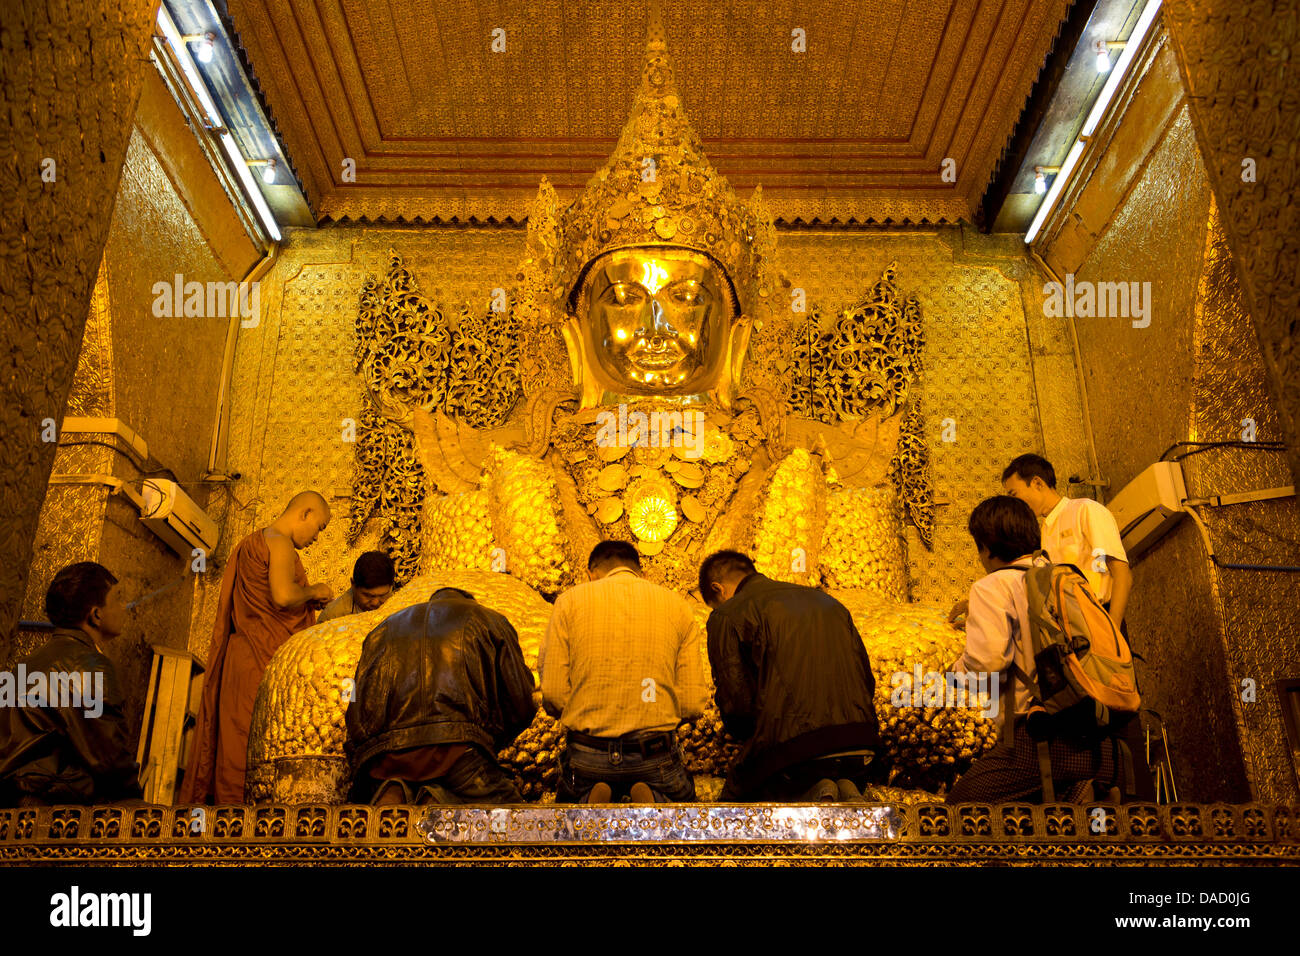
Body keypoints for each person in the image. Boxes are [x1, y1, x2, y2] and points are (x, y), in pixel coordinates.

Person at [947, 496, 1124, 804]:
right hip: (1099, 738)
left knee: (955, 812)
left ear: (986, 548)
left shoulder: (992, 587)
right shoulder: (1064, 578)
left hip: (1042, 738)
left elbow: (987, 662)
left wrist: (953, 673)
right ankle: (1078, 792)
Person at [180, 490, 334, 804]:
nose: (317, 537)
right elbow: (281, 596)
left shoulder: (253, 541)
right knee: (257, 745)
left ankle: (226, 824)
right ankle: (246, 830)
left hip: (241, 657)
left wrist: (304, 595)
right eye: (319, 527)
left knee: (235, 745)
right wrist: (313, 590)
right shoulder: (279, 541)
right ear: (304, 513)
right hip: (260, 662)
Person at [699, 550, 882, 802]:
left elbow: (736, 701)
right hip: (860, 742)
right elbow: (866, 680)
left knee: (732, 811)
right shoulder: (829, 603)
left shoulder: (728, 615)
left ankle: (813, 790)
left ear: (718, 589)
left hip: (793, 752)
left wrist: (747, 738)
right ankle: (842, 786)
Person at [540, 540, 706, 804]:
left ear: (590, 574)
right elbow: (692, 702)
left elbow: (554, 693)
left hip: (588, 752)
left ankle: (586, 799)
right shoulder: (678, 606)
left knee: (567, 817)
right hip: (654, 753)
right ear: (642, 574)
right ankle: (656, 796)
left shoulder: (568, 602)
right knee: (682, 804)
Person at [345, 587, 536, 805]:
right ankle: (439, 798)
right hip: (456, 753)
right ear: (470, 601)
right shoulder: (489, 620)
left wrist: (368, 751)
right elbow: (521, 700)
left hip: (385, 759)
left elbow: (354, 702)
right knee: (516, 824)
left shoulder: (382, 629)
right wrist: (490, 742)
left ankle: (398, 788)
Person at [0, 562, 142, 806]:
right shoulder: (89, 665)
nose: (125, 607)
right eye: (118, 599)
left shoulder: (22, 666)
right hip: (47, 809)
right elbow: (109, 760)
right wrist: (135, 802)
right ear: (96, 614)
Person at [949, 454, 1132, 628]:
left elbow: (1121, 572)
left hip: (1100, 616)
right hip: (1066, 626)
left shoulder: (1084, 510)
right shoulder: (1041, 531)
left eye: (1014, 494)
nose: (1014, 503)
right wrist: (981, 610)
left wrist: (1112, 630)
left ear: (1037, 483)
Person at [316, 551, 396, 623]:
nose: (375, 603)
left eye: (382, 595)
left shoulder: (399, 604)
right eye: (368, 596)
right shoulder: (332, 617)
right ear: (353, 584)